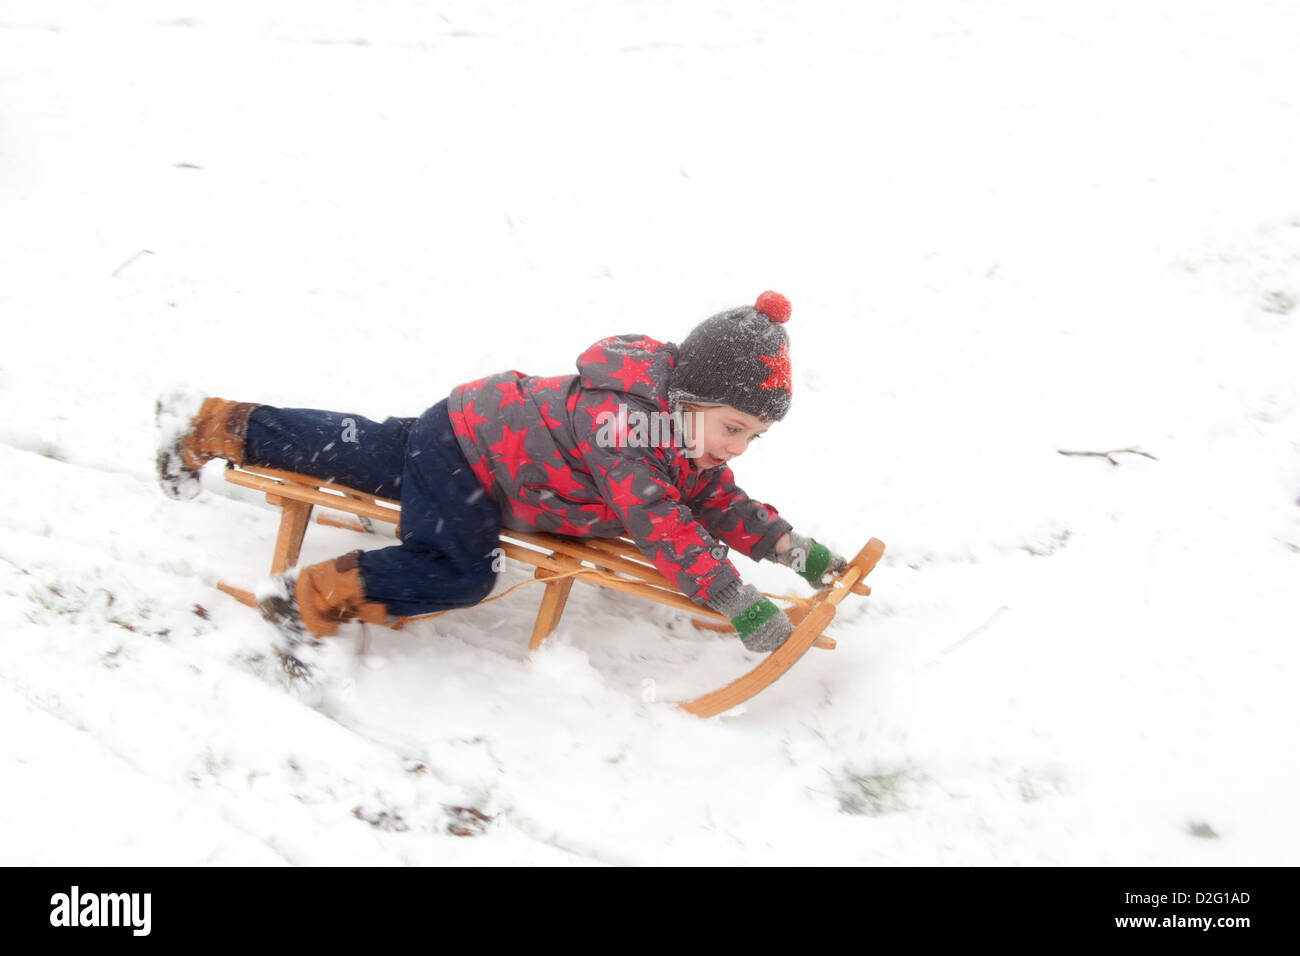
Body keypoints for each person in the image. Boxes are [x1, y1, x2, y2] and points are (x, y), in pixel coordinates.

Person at [156, 290, 846, 672]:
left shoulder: (681, 433)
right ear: (691, 401)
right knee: (460, 570)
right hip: (469, 459)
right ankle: (312, 597)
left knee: (364, 450)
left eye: (754, 436)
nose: (739, 449)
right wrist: (736, 600)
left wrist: (787, 548)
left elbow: (715, 499)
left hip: (467, 430)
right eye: (734, 428)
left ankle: (217, 424)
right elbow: (660, 521)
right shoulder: (628, 429)